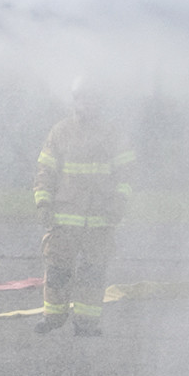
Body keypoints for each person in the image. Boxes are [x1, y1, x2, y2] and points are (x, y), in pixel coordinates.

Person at [33, 78, 132, 336]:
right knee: (57, 270)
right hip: (64, 218)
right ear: (75, 101)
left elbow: (127, 174)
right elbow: (45, 171)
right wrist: (43, 202)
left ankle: (87, 323)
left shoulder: (113, 134)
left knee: (93, 273)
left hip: (100, 218)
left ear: (100, 102)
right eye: (82, 98)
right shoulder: (60, 131)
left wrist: (119, 204)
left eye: (92, 98)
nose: (87, 103)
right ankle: (53, 317)